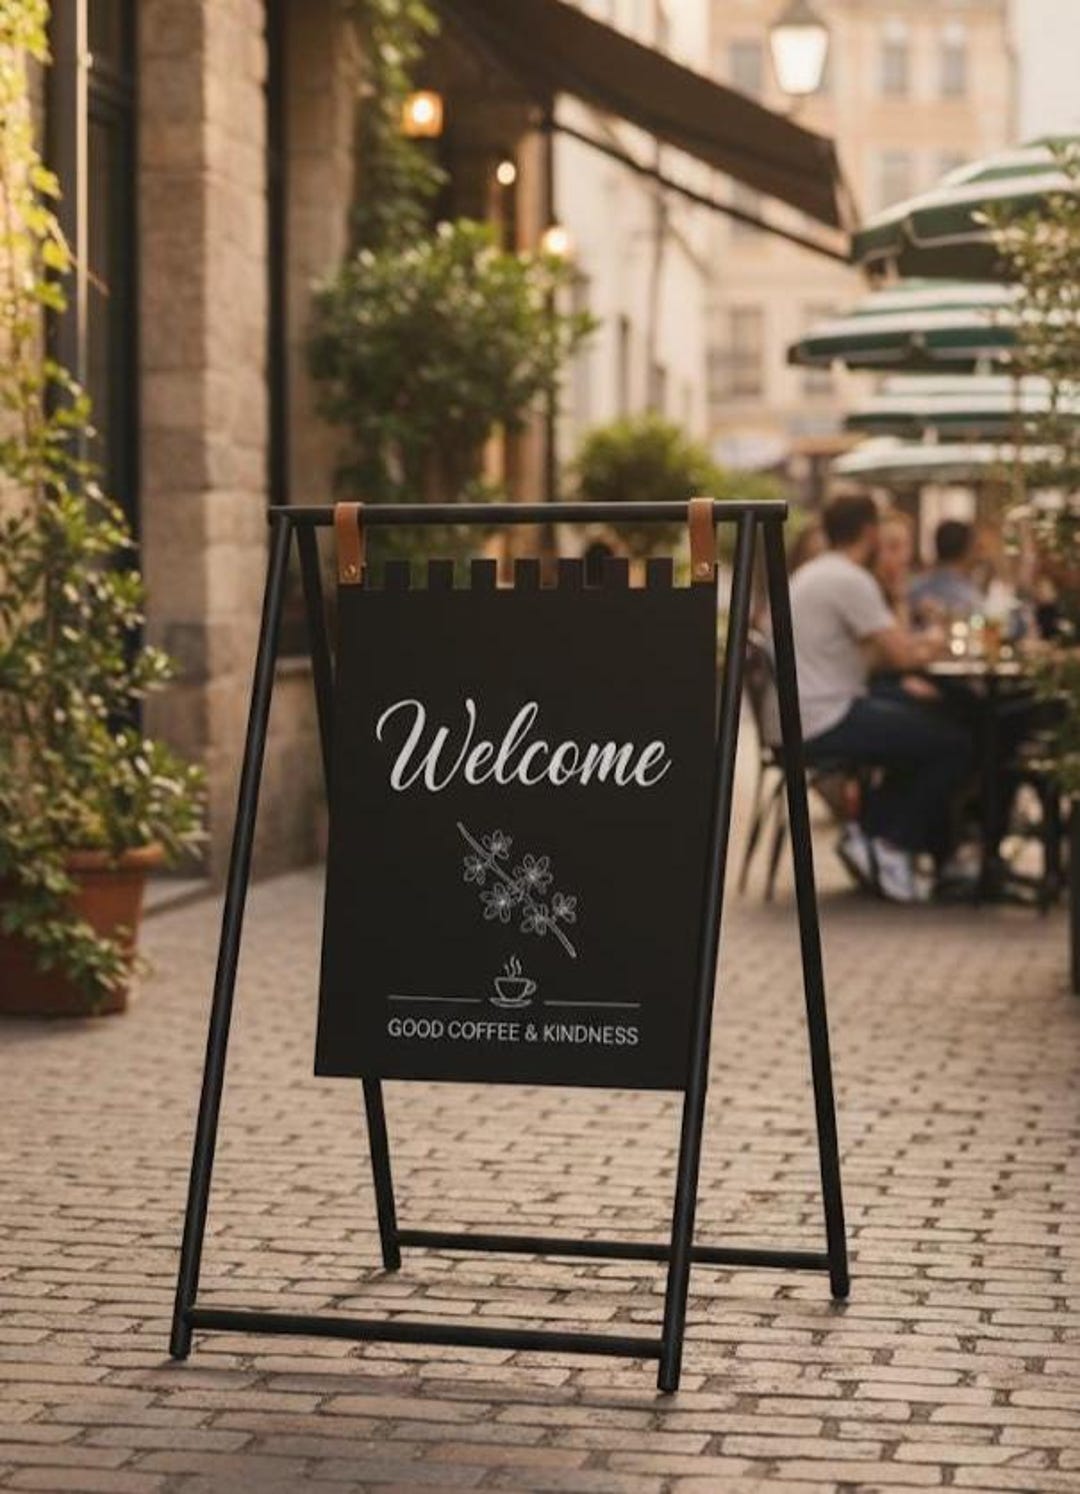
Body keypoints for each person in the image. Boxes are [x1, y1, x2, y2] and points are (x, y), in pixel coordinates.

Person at [789, 494, 972, 904]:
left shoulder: (820, 572)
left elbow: (884, 655)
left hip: (806, 711)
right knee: (954, 742)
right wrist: (938, 640)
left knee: (929, 721)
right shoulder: (848, 579)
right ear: (870, 533)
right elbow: (903, 654)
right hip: (825, 715)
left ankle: (877, 833)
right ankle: (888, 840)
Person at [909, 519, 986, 620]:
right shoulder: (968, 597)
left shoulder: (915, 587)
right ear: (967, 551)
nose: (979, 555)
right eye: (976, 548)